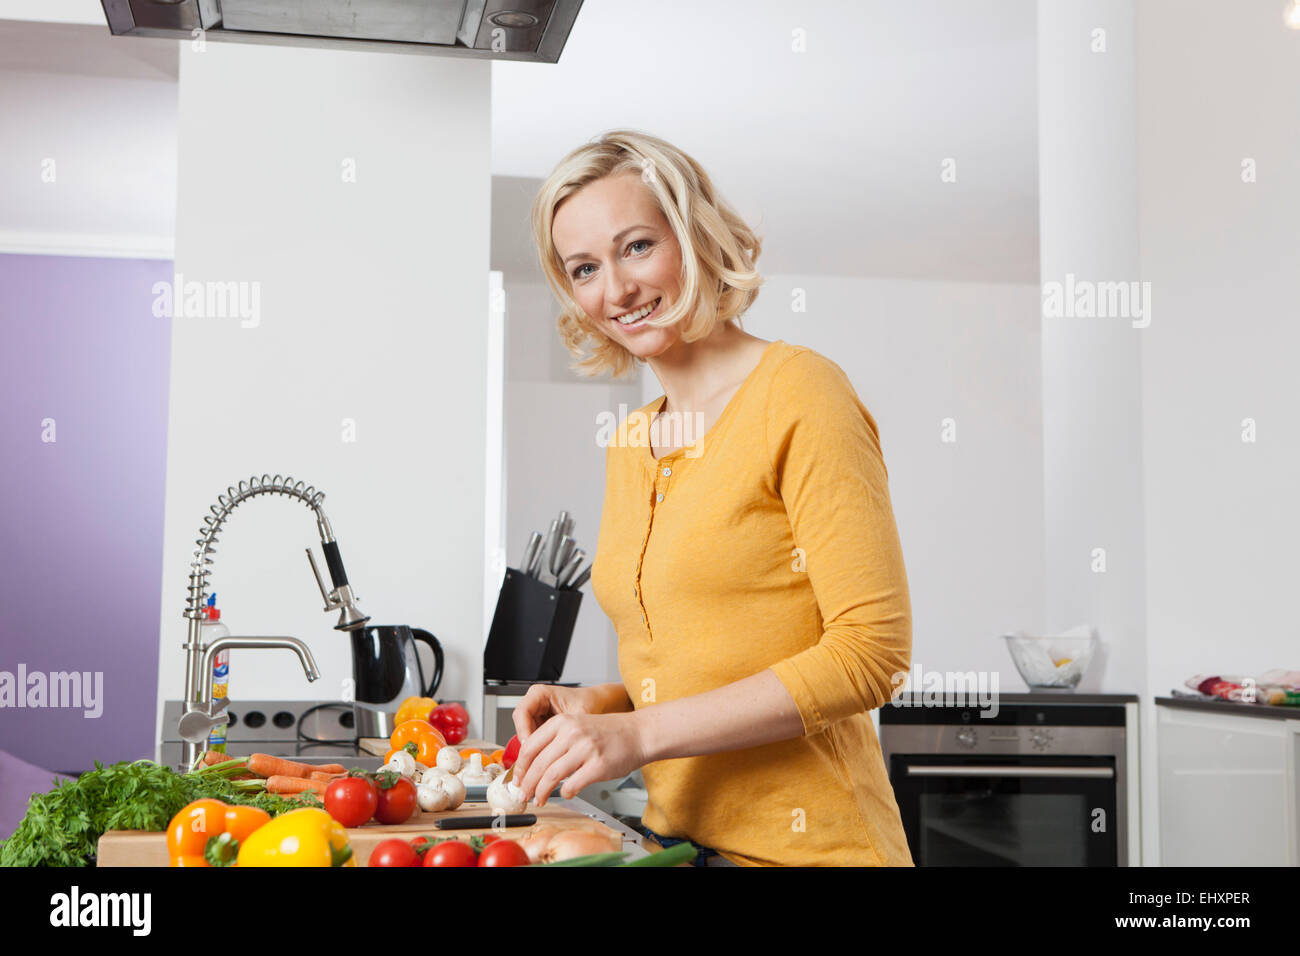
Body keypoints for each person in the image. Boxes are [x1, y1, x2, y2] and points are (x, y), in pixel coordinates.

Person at [509, 129, 914, 866]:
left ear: (694, 238)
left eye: (637, 246)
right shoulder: (632, 441)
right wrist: (606, 705)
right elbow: (711, 654)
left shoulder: (800, 393)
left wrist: (635, 736)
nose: (617, 290)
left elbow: (871, 655)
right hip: (680, 844)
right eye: (585, 268)